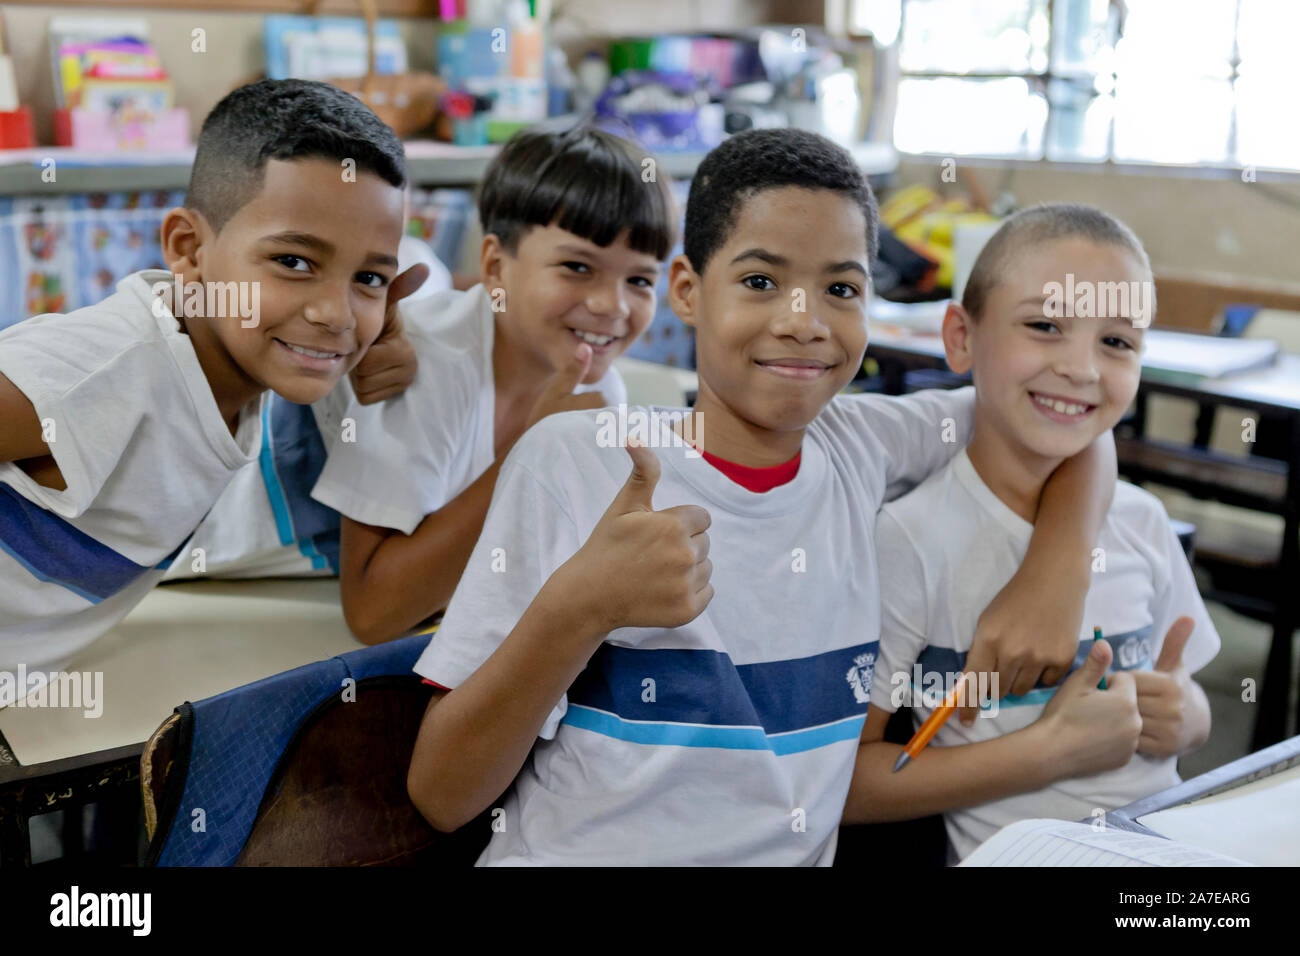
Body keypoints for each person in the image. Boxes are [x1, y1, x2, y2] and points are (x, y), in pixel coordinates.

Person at [404, 130, 1116, 865]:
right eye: (759, 282)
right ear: (687, 289)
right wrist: (581, 607)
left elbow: (1061, 412)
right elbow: (443, 793)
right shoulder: (579, 463)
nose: (803, 322)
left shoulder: (860, 444)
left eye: (841, 289)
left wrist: (1053, 577)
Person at [847, 203, 1218, 861]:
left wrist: (1184, 716)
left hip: (1168, 849)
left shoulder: (1141, 520)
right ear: (961, 336)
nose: (1081, 368)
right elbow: (846, 787)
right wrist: (1047, 754)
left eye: (1117, 342)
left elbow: (1186, 698)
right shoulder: (907, 540)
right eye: (1045, 326)